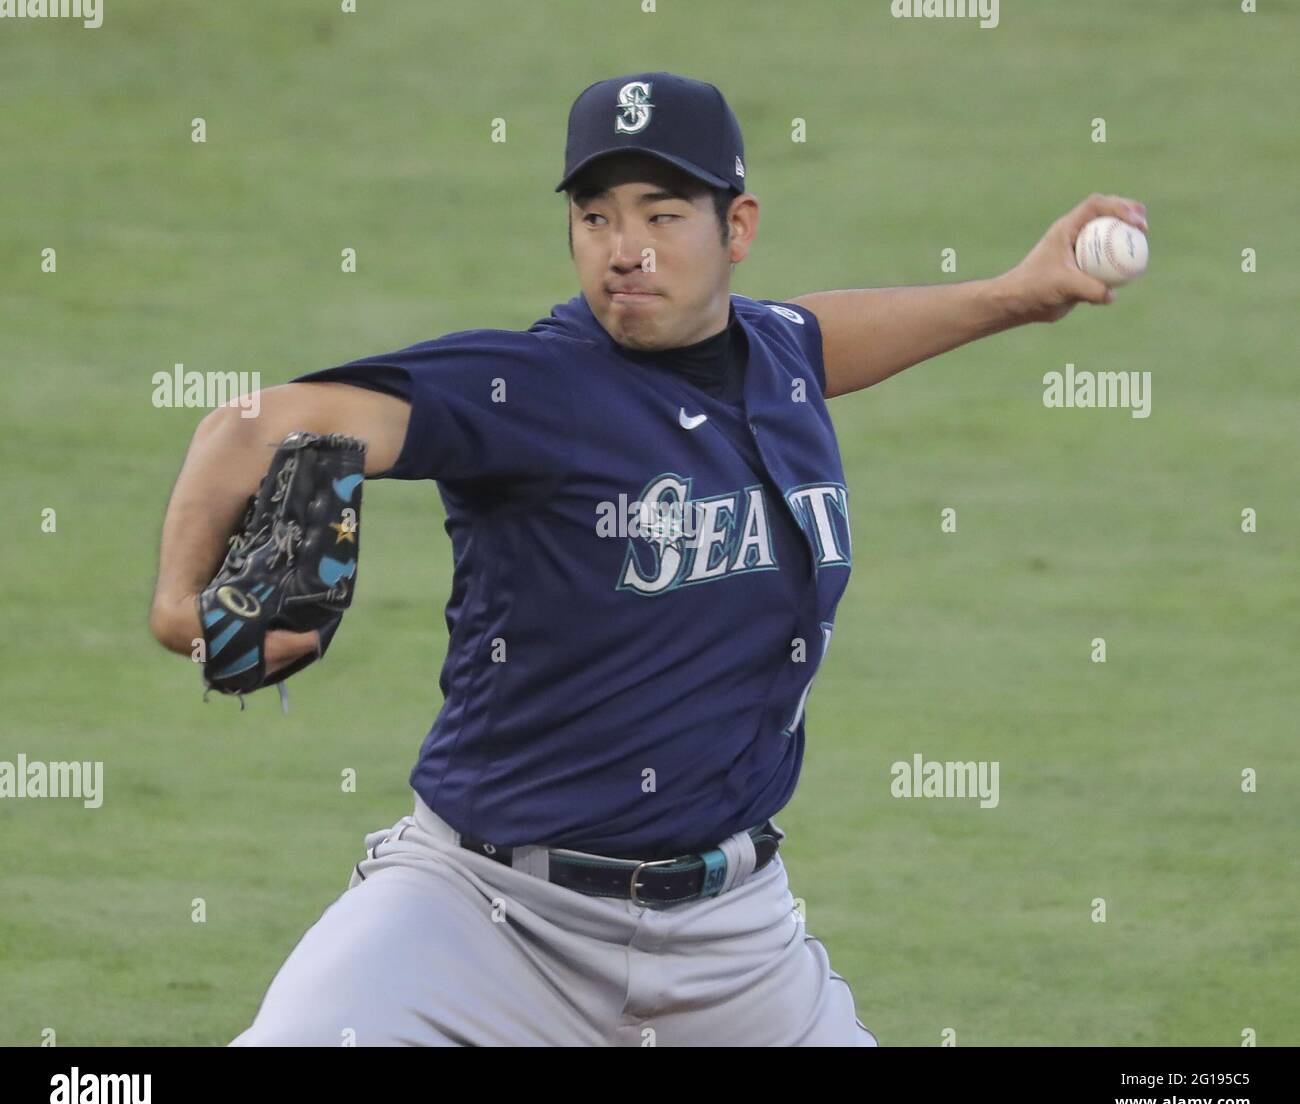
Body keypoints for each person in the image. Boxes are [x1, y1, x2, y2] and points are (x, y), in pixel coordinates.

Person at [149, 71, 1147, 1046]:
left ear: (736, 229)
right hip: (483, 917)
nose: (625, 250)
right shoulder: (527, 390)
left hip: (731, 942)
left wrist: (1018, 296)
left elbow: (818, 334)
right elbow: (249, 430)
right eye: (596, 218)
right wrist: (177, 609)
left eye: (662, 215)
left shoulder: (778, 360)